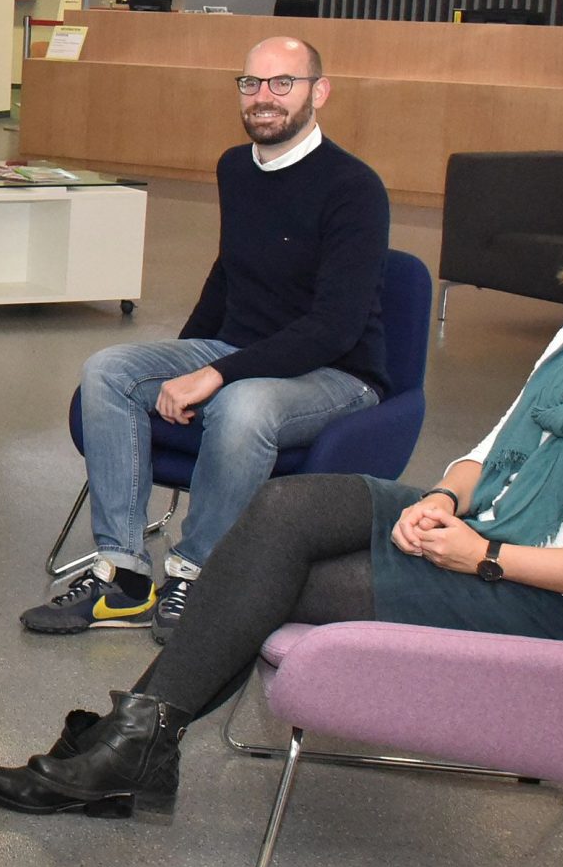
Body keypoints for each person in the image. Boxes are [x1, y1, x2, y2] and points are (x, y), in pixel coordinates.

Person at [0, 140, 563, 819]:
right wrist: (446, 499)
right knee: (286, 509)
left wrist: (485, 557)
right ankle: (139, 740)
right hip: (493, 527)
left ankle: (134, 744)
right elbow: (492, 448)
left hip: (560, 603)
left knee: (277, 575)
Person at [25, 36, 390, 640]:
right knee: (108, 369)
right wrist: (185, 365)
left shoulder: (354, 187)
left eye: (283, 83)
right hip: (241, 350)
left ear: (319, 92)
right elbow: (228, 275)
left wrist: (215, 375)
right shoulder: (235, 167)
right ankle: (124, 577)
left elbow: (335, 327)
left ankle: (200, 577)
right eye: (251, 83)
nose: (264, 97)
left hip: (337, 372)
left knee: (245, 405)